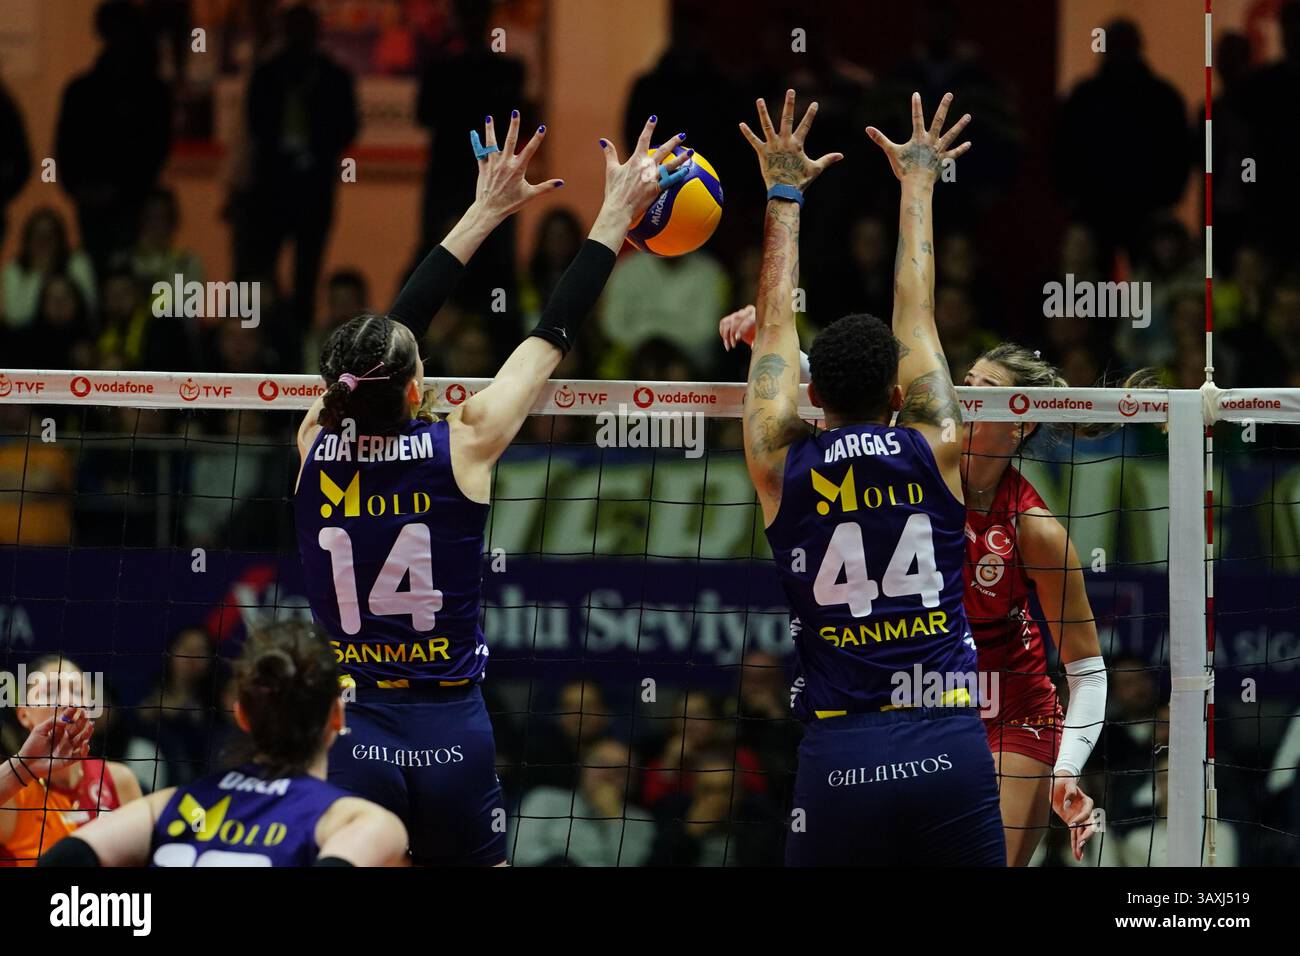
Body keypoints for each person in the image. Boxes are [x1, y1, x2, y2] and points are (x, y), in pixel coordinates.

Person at [292, 110, 691, 864]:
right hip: (452, 732)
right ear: (416, 394)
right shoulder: (465, 442)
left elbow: (380, 348)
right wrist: (614, 215)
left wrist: (480, 211)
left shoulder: (314, 442)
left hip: (353, 725)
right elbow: (550, 336)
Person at [734, 87, 1008, 866]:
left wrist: (783, 191)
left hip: (840, 753)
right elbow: (916, 312)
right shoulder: (938, 443)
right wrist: (918, 182)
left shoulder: (781, 463)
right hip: (946, 742)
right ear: (898, 395)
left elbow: (777, 325)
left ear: (812, 396)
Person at [38, 622, 407, 867]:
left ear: (242, 716)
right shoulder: (358, 820)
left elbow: (61, 861)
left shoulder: (168, 804)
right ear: (337, 717)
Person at [958, 344, 1108, 864]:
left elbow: (1087, 673)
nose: (967, 399)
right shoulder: (919, 463)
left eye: (986, 393)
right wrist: (780, 351)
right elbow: (853, 401)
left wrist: (1066, 772)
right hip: (927, 703)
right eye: (966, 384)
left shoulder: (1036, 529)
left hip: (1015, 713)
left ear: (1018, 425)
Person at [1, 656, 143, 865]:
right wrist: (23, 766)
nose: (68, 701)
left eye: (78, 691)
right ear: (24, 715)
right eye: (51, 692)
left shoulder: (119, 779)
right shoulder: (12, 793)